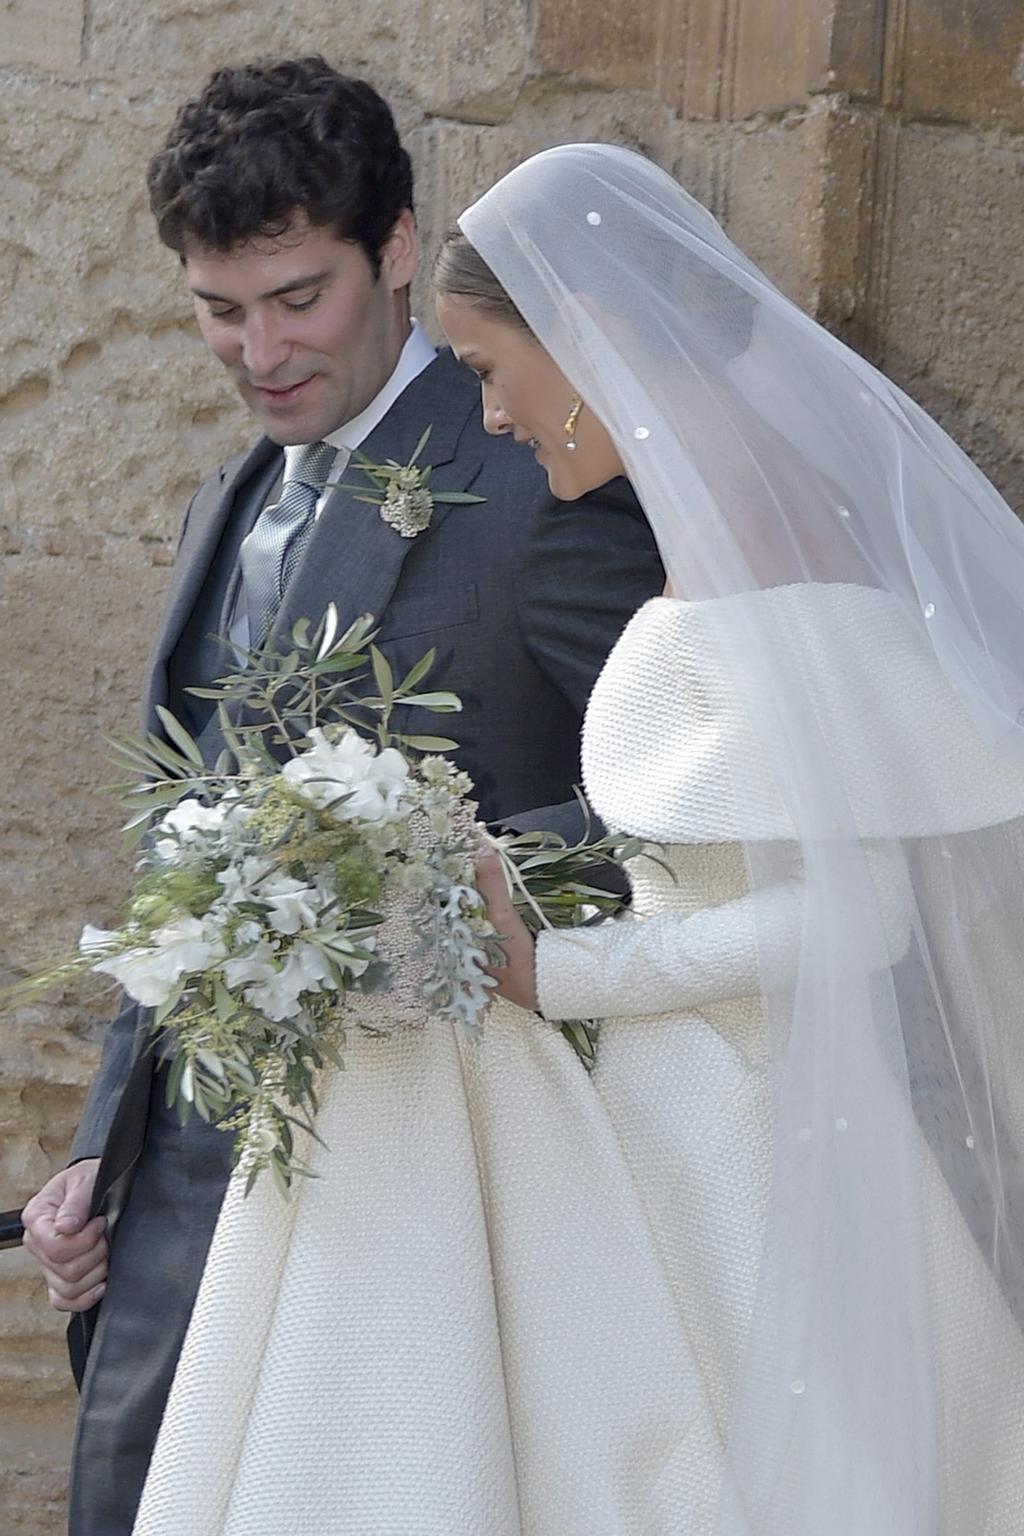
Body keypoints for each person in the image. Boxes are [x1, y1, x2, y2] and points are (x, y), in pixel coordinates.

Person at [132, 143, 1024, 1535]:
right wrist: (477, 882)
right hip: (666, 1107)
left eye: (490, 370)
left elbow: (854, 919)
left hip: (740, 1146)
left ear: (589, 340)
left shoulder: (760, 558)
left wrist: (550, 969)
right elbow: (687, 851)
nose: (485, 415)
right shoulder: (705, 538)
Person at [19, 84, 663, 1534]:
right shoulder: (220, 504)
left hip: (422, 1201)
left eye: (295, 298)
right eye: (219, 311)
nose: (261, 353)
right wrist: (95, 1151)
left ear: (393, 248)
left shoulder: (537, 479)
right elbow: (188, 864)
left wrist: (425, 896)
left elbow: (662, 821)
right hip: (175, 1202)